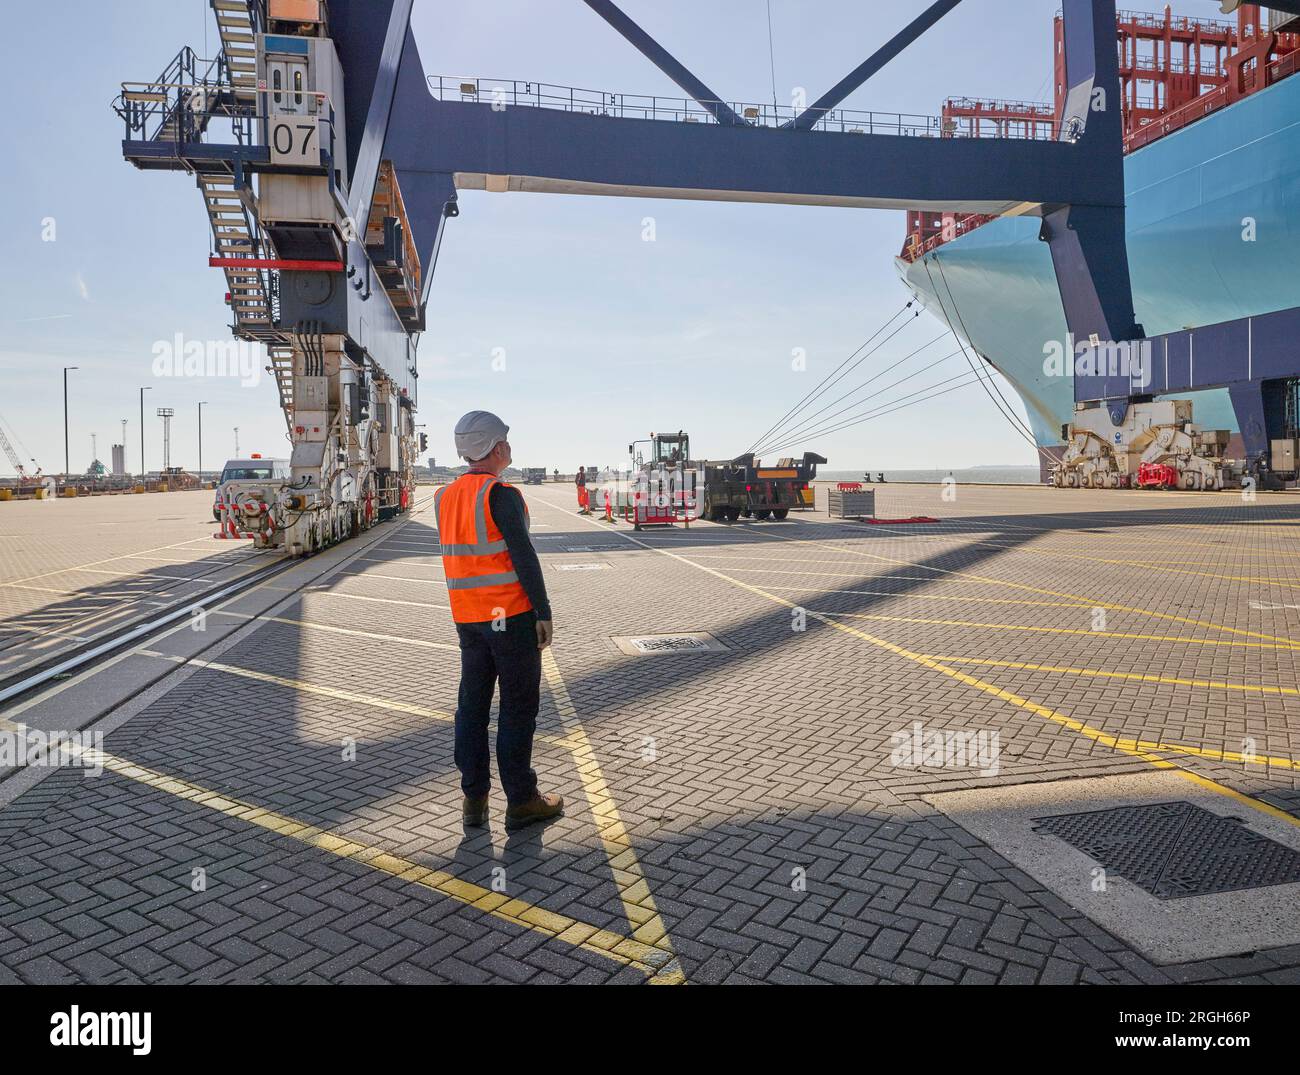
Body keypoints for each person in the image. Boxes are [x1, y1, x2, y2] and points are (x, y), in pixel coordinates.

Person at [436, 411, 563, 830]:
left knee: (471, 709)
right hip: (509, 617)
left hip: (467, 620)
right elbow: (523, 556)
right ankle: (522, 800)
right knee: (517, 708)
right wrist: (542, 610)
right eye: (505, 440)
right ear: (496, 448)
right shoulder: (499, 494)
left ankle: (474, 801)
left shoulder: (444, 496)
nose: (509, 446)